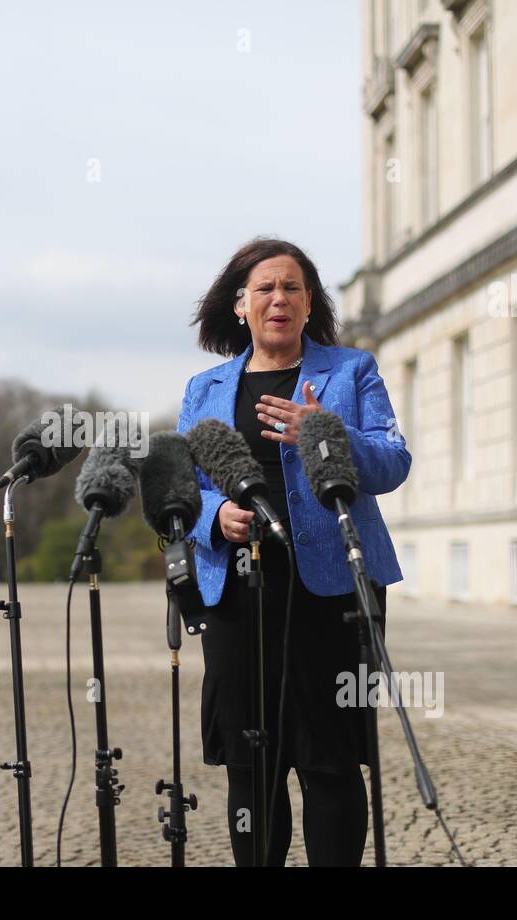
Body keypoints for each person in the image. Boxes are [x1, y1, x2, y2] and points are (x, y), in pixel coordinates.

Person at [176, 237, 411, 866]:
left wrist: (325, 433)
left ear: (310, 305)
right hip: (237, 590)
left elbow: (393, 463)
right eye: (265, 288)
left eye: (293, 288)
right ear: (240, 305)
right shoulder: (205, 388)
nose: (279, 298)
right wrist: (212, 515)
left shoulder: (351, 370)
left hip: (332, 588)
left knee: (330, 760)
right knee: (252, 764)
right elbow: (175, 489)